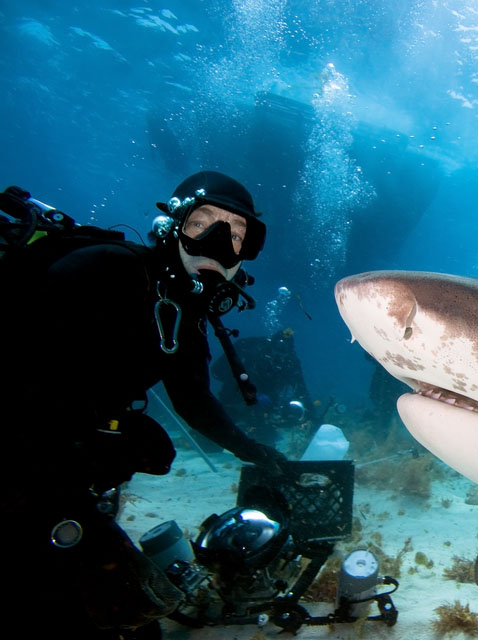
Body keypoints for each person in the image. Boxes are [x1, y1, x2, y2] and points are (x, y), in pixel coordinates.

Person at [0, 171, 288, 638]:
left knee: (134, 615)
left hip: (57, 480)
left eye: (237, 235)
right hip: (26, 477)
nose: (218, 242)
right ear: (170, 225)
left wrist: (256, 452)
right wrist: (92, 440)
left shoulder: (182, 318)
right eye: (204, 224)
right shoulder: (104, 270)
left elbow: (195, 403)